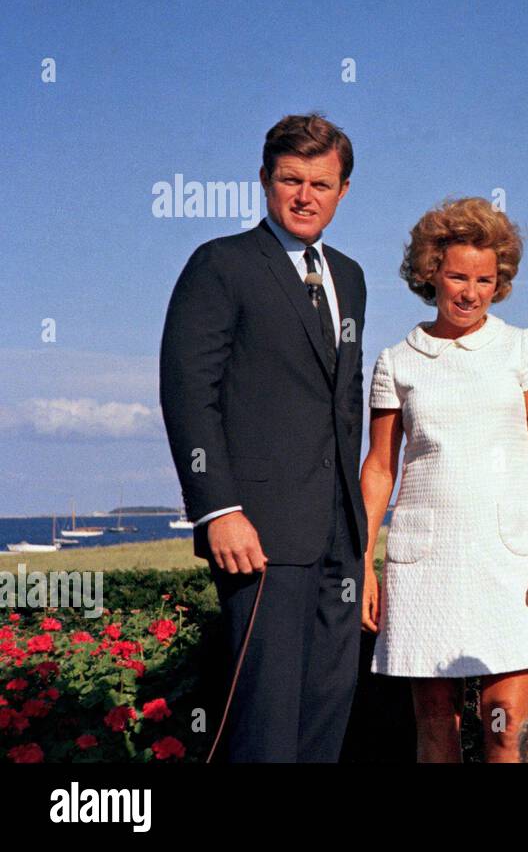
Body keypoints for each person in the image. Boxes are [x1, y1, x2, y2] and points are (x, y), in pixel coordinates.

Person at [160, 113, 367, 762]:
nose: (305, 195)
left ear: (344, 190)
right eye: (291, 180)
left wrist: (358, 531)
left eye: (322, 183)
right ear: (264, 181)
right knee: (265, 725)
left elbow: (343, 401)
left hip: (339, 534)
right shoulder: (221, 264)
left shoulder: (351, 277)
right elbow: (188, 391)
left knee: (324, 716)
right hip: (260, 534)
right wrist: (218, 509)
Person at [361, 197, 528, 763]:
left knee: (505, 726)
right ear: (431, 273)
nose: (470, 291)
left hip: (511, 562)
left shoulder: (522, 348)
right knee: (434, 725)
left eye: (484, 278)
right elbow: (379, 468)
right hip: (424, 565)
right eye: (457, 275)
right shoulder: (396, 360)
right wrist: (362, 561)